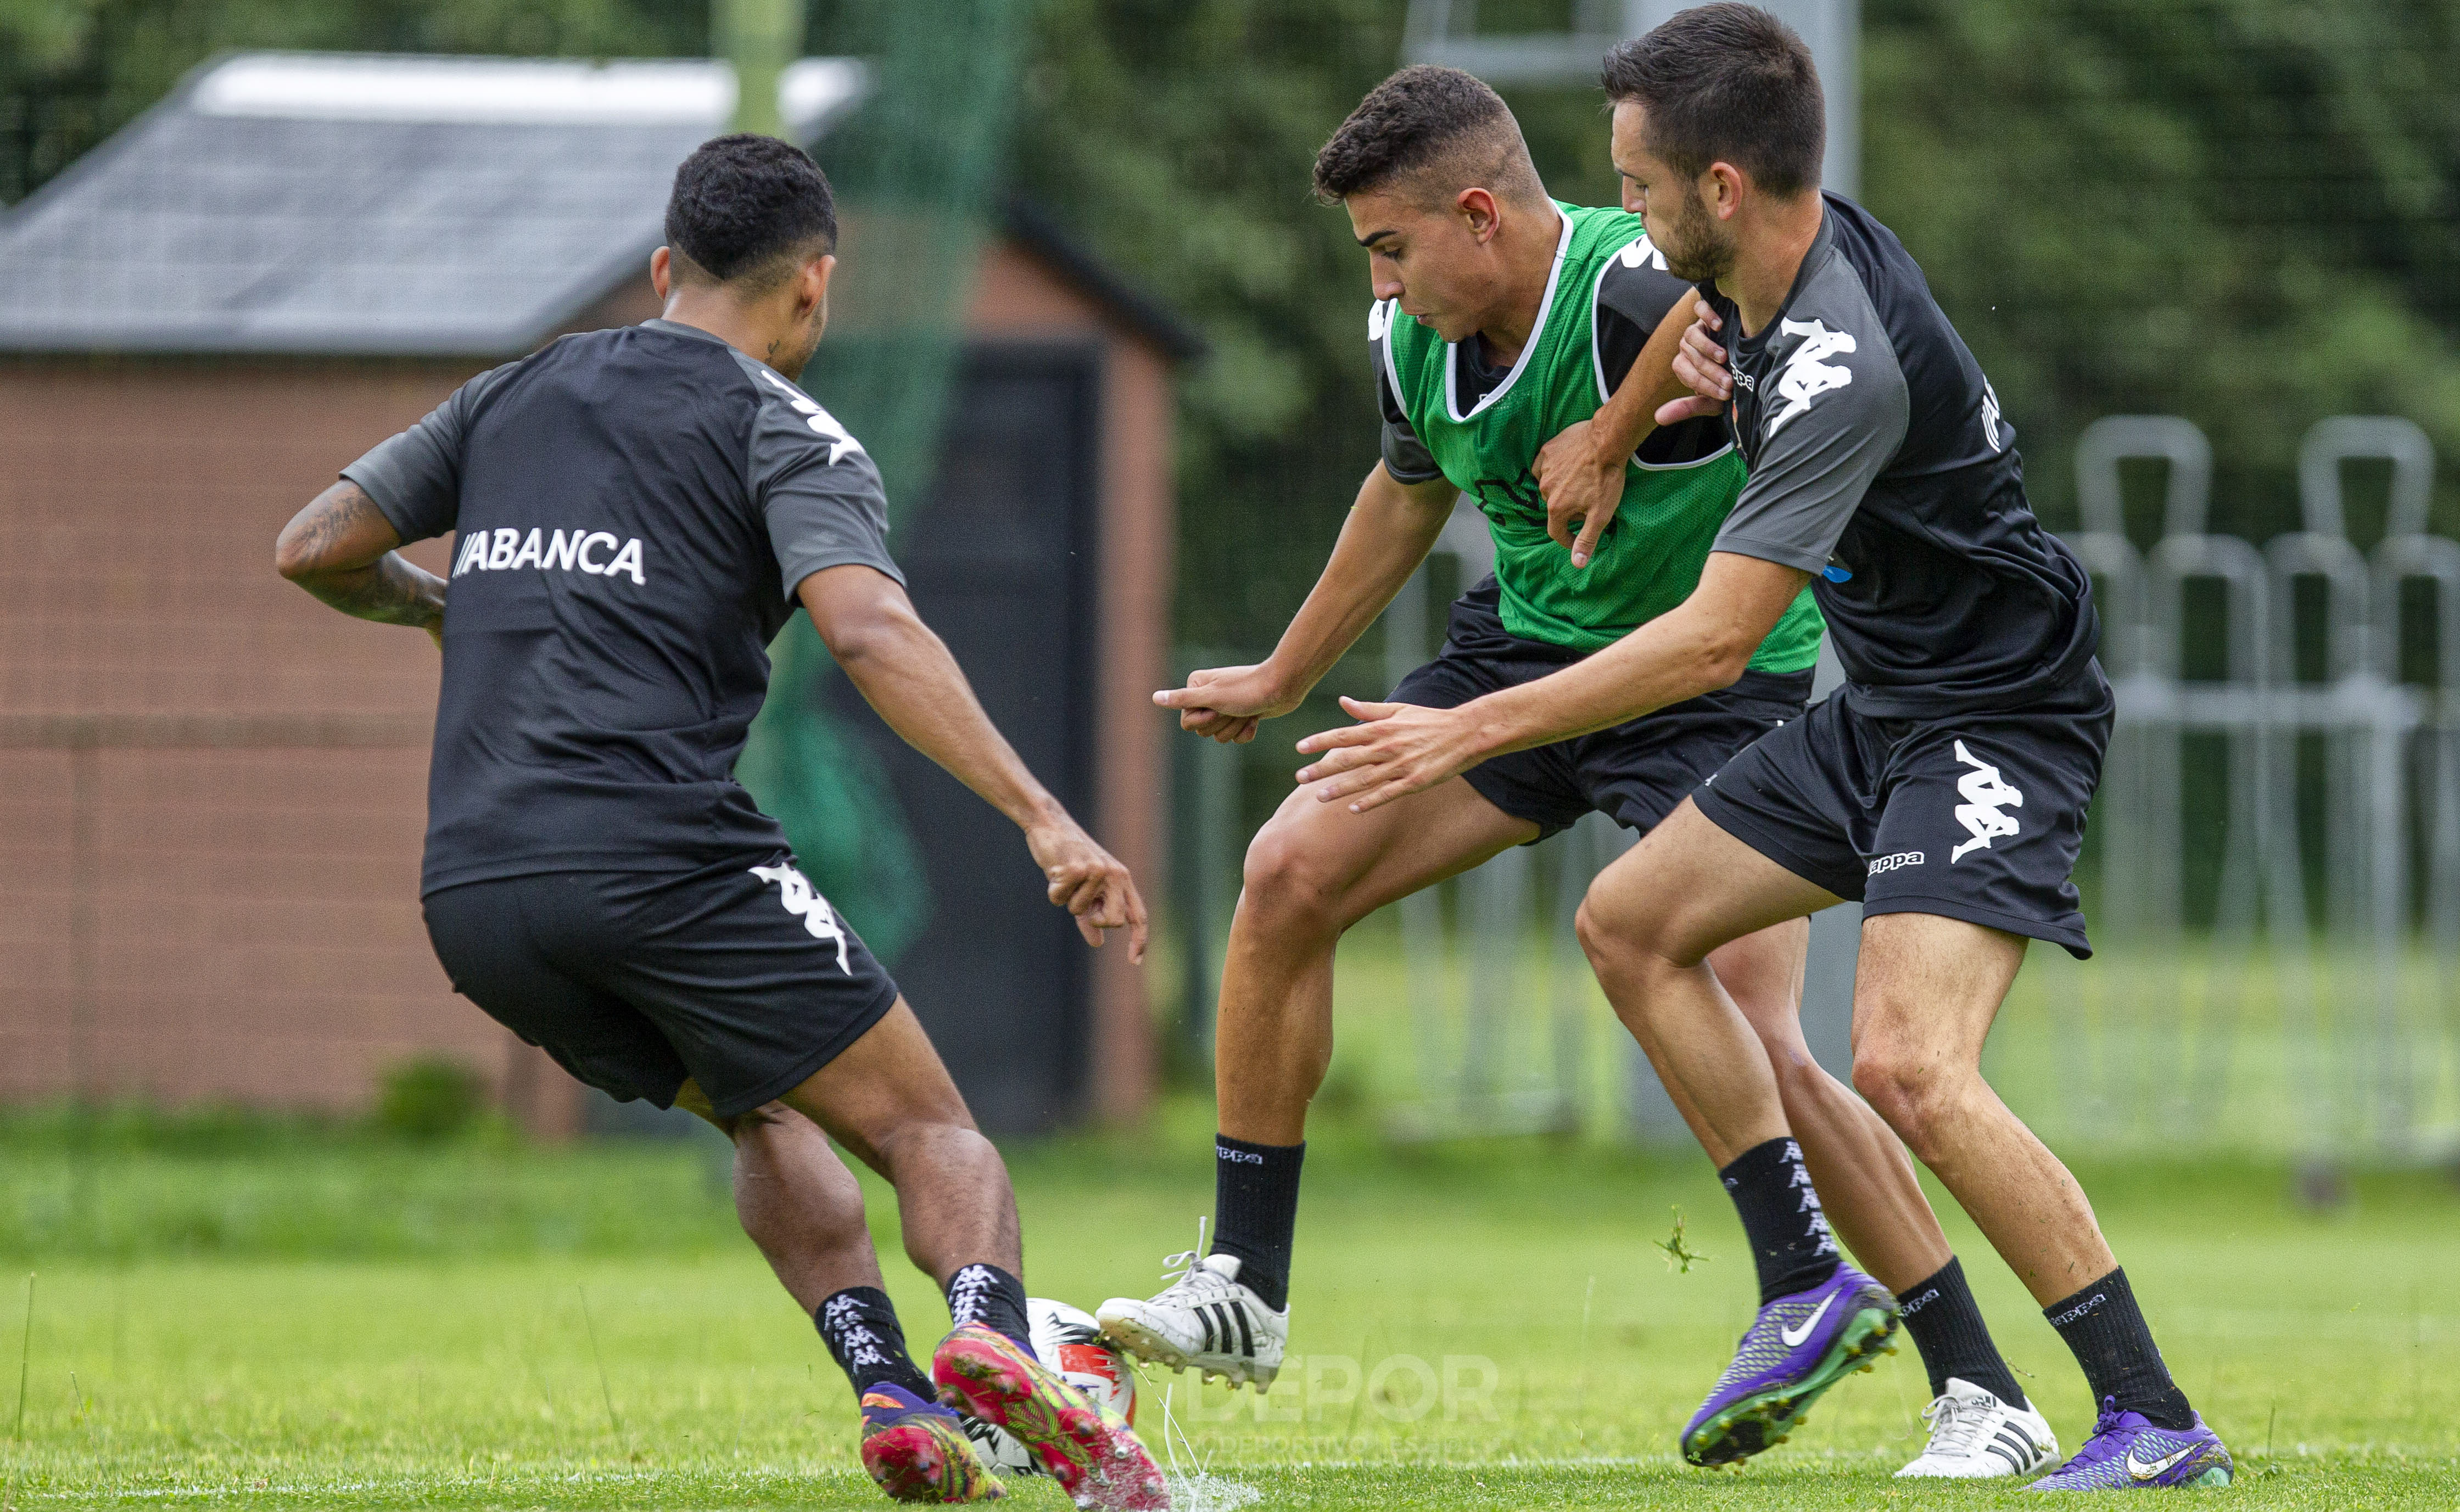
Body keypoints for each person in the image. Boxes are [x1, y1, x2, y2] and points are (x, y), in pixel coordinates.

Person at [1288, 8, 2234, 1491]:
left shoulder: (1840, 368)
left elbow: (1717, 643)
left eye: (1643, 186)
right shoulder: (1763, 260)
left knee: (1911, 1067)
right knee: (1631, 925)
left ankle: (2152, 1415)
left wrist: (1463, 728)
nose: (1625, 214)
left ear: (1721, 186)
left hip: (1998, 717)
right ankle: (1807, 1279)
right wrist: (1608, 428)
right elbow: (1689, 305)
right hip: (1890, 708)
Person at [1092, 65, 2049, 1480]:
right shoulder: (1411, 334)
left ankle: (1975, 1383)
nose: (1381, 276)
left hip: (1706, 682)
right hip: (1521, 663)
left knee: (1757, 1034)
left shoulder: (1623, 288)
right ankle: (1244, 1285)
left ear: (1480, 213)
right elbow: (1404, 492)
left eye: (1392, 245)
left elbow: (1721, 317)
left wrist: (1619, 425)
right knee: (1288, 870)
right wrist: (1286, 675)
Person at [273, 133, 1170, 1510]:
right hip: (658, 859)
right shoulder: (784, 426)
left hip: (477, 895)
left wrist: (440, 604)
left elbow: (317, 543)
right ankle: (991, 1335)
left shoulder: (513, 393)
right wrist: (1044, 817)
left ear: (660, 269)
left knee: (763, 1110)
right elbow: (870, 630)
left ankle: (892, 1397)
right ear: (814, 290)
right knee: (935, 1134)